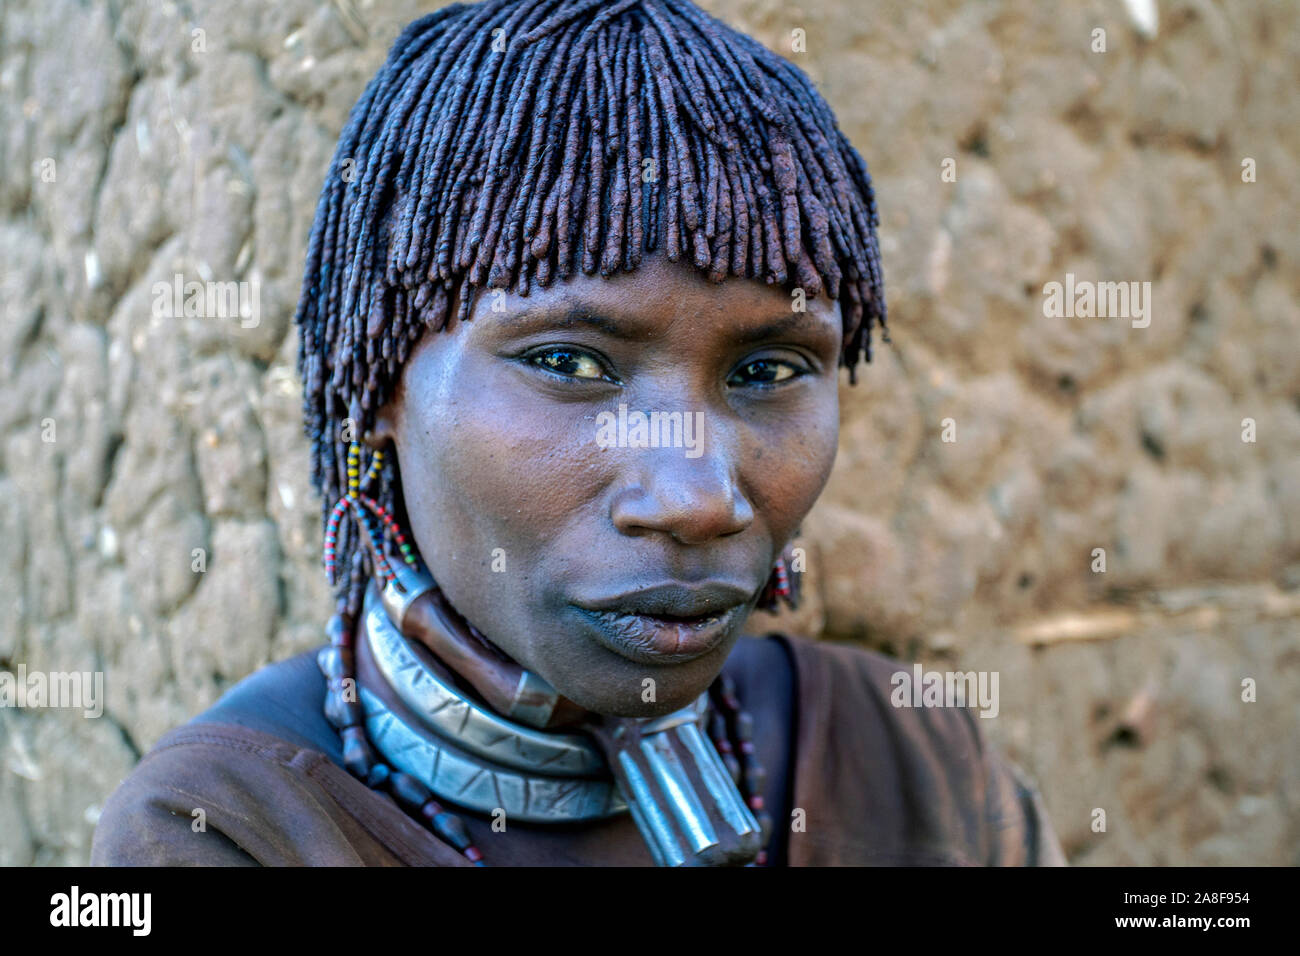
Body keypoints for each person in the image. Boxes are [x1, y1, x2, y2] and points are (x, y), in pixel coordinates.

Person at [91, 0, 1065, 866]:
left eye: (767, 372)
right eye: (570, 363)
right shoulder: (228, 825)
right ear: (380, 385)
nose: (694, 495)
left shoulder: (912, 759)